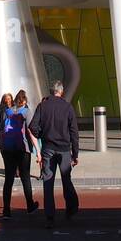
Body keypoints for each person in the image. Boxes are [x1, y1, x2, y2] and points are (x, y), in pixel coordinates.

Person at [28, 80, 79, 225]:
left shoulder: (43, 106)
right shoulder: (67, 107)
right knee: (66, 179)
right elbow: (74, 132)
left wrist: (41, 134)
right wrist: (75, 154)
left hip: (48, 148)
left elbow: (33, 126)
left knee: (48, 182)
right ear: (61, 91)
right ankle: (71, 207)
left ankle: (50, 216)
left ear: (51, 91)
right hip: (63, 149)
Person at [0, 89, 40, 218]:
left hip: (8, 149)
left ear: (15, 100)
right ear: (25, 101)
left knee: (8, 179)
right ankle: (30, 205)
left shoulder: (7, 111)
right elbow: (31, 132)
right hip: (23, 149)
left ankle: (6, 210)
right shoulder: (26, 112)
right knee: (25, 177)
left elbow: (1, 131)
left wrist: (2, 148)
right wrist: (38, 150)